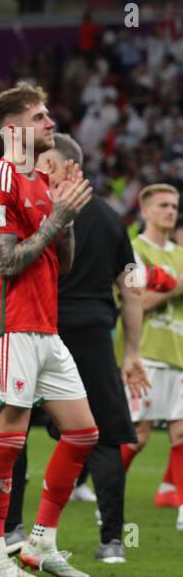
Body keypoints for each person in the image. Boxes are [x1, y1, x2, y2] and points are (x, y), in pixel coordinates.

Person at [0, 85, 100, 577]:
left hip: (45, 325)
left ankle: (40, 542)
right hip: (10, 325)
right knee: (8, 441)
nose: (51, 123)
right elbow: (5, 263)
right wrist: (55, 221)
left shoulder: (42, 183)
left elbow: (61, 263)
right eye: (40, 116)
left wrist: (66, 219)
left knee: (83, 432)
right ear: (12, 129)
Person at [32, 133, 144, 564]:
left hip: (36, 328)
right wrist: (131, 352)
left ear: (61, 166)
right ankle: (112, 540)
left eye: (41, 163)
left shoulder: (35, 210)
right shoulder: (113, 219)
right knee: (104, 435)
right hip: (93, 333)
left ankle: (7, 533)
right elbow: (131, 289)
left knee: (9, 429)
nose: (34, 170)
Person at [123, 182, 183, 532]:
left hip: (178, 354)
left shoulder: (180, 254)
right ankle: (109, 497)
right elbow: (136, 302)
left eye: (174, 206)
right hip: (144, 355)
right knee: (138, 435)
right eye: (163, 205)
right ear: (145, 211)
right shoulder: (132, 252)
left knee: (181, 433)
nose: (170, 211)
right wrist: (174, 287)